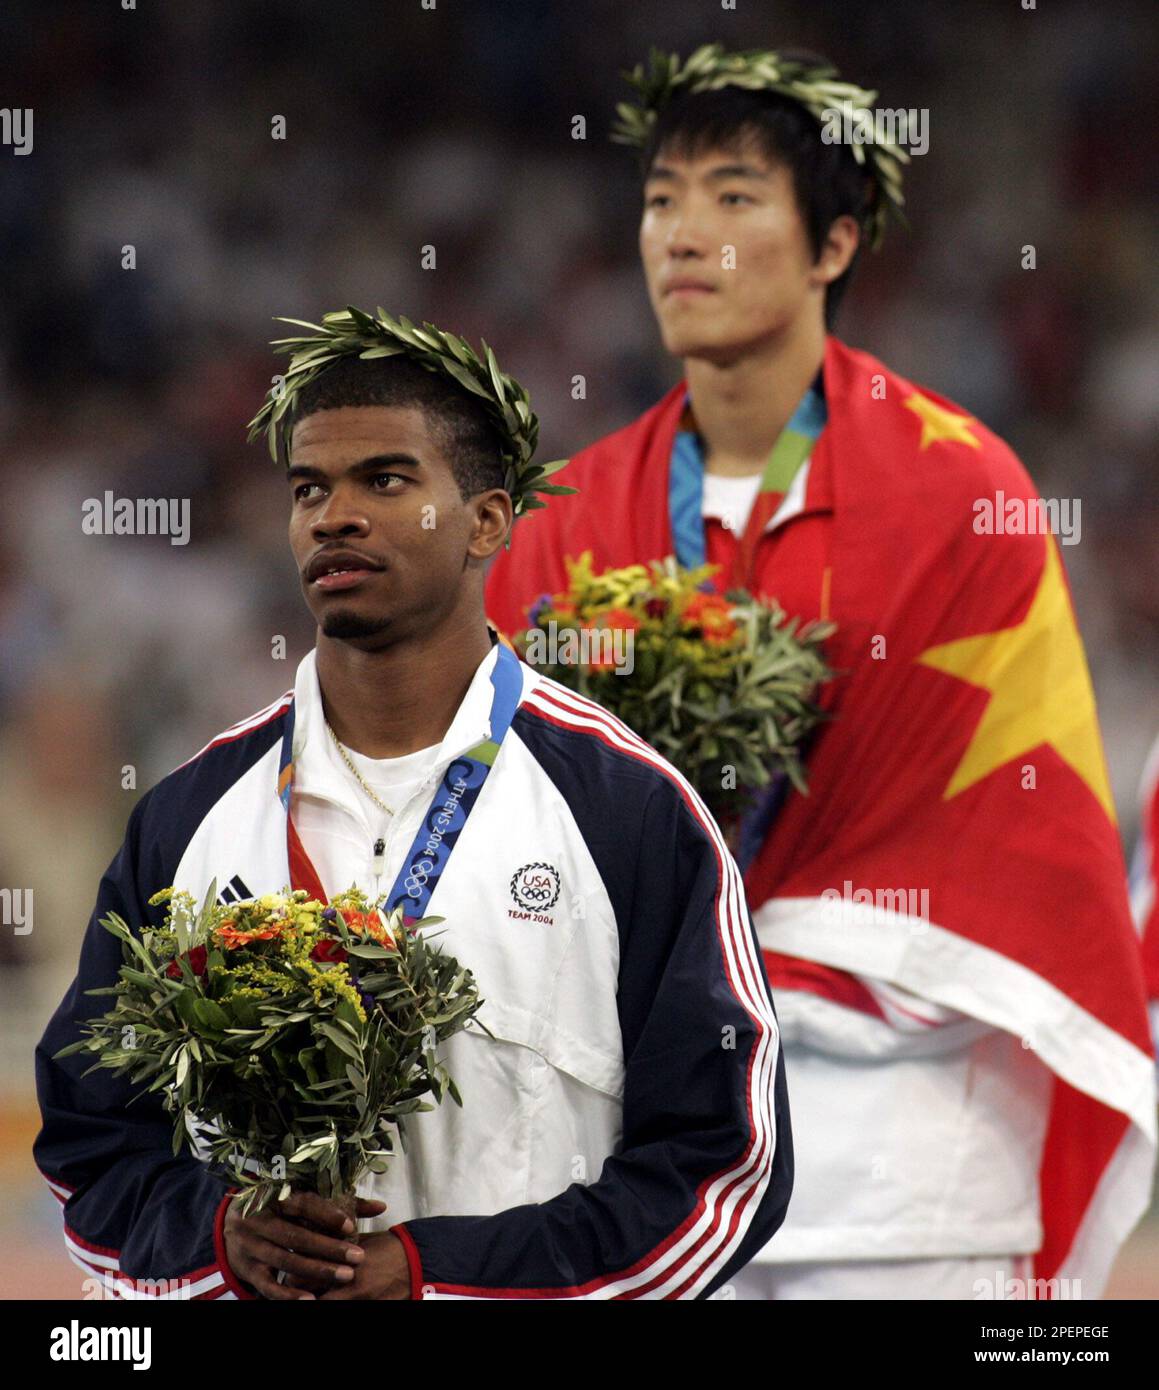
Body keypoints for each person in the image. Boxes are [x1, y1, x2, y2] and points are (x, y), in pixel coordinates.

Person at [484, 45, 1156, 1299]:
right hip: (641, 1154)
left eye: (734, 197)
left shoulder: (964, 493)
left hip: (905, 1164)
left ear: (834, 245)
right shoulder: (563, 521)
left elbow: (1019, 823)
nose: (683, 235)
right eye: (660, 199)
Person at [33, 307, 792, 1301]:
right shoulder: (188, 816)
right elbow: (95, 1142)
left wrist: (444, 1277)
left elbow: (722, 1169)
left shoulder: (628, 812)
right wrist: (220, 1239)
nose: (333, 515)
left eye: (384, 480)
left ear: (486, 520)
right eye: (310, 488)